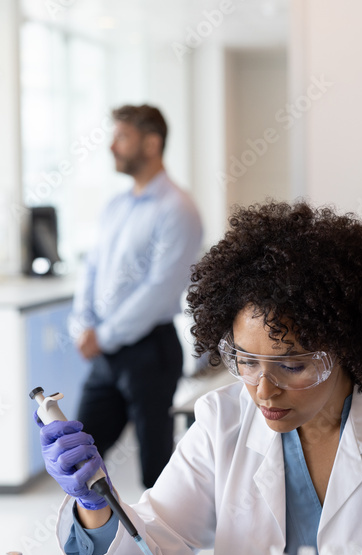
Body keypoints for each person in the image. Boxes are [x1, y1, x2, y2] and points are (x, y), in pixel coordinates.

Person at [39, 201, 362, 555]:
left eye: (292, 366)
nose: (263, 389)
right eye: (246, 360)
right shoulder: (223, 420)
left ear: (349, 348)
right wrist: (95, 507)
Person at [69, 104, 203, 490]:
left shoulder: (177, 208)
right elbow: (91, 269)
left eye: (121, 137)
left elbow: (161, 288)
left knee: (156, 471)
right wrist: (83, 324)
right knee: (80, 455)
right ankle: (98, 542)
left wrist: (103, 335)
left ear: (151, 143)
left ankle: (160, 549)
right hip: (107, 354)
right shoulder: (116, 206)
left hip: (150, 352)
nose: (111, 146)